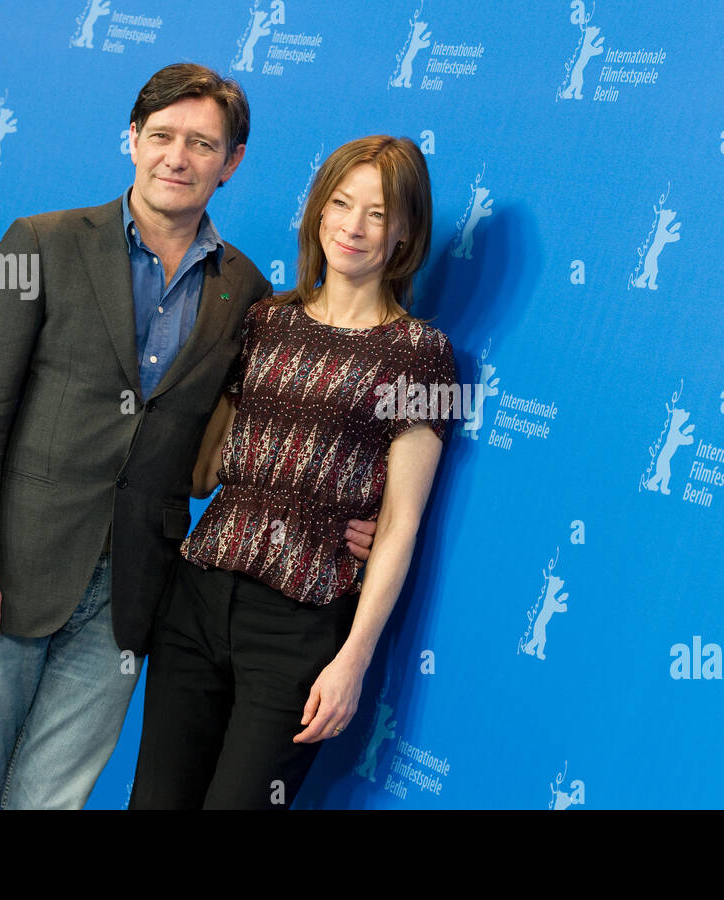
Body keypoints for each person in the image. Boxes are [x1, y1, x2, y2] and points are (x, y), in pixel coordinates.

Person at [0, 64, 376, 810]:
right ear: (132, 139)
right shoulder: (38, 242)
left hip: (132, 593)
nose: (177, 157)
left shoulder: (246, 292)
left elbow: (257, 436)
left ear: (231, 162)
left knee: (52, 800)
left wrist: (350, 514)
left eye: (203, 144)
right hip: (12, 567)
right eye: (162, 135)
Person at [129, 135, 457, 810]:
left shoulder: (421, 355)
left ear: (405, 232)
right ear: (318, 210)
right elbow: (206, 469)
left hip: (301, 623)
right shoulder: (264, 320)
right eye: (341, 203)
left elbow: (401, 524)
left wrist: (354, 659)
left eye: (378, 213)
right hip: (196, 597)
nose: (353, 226)